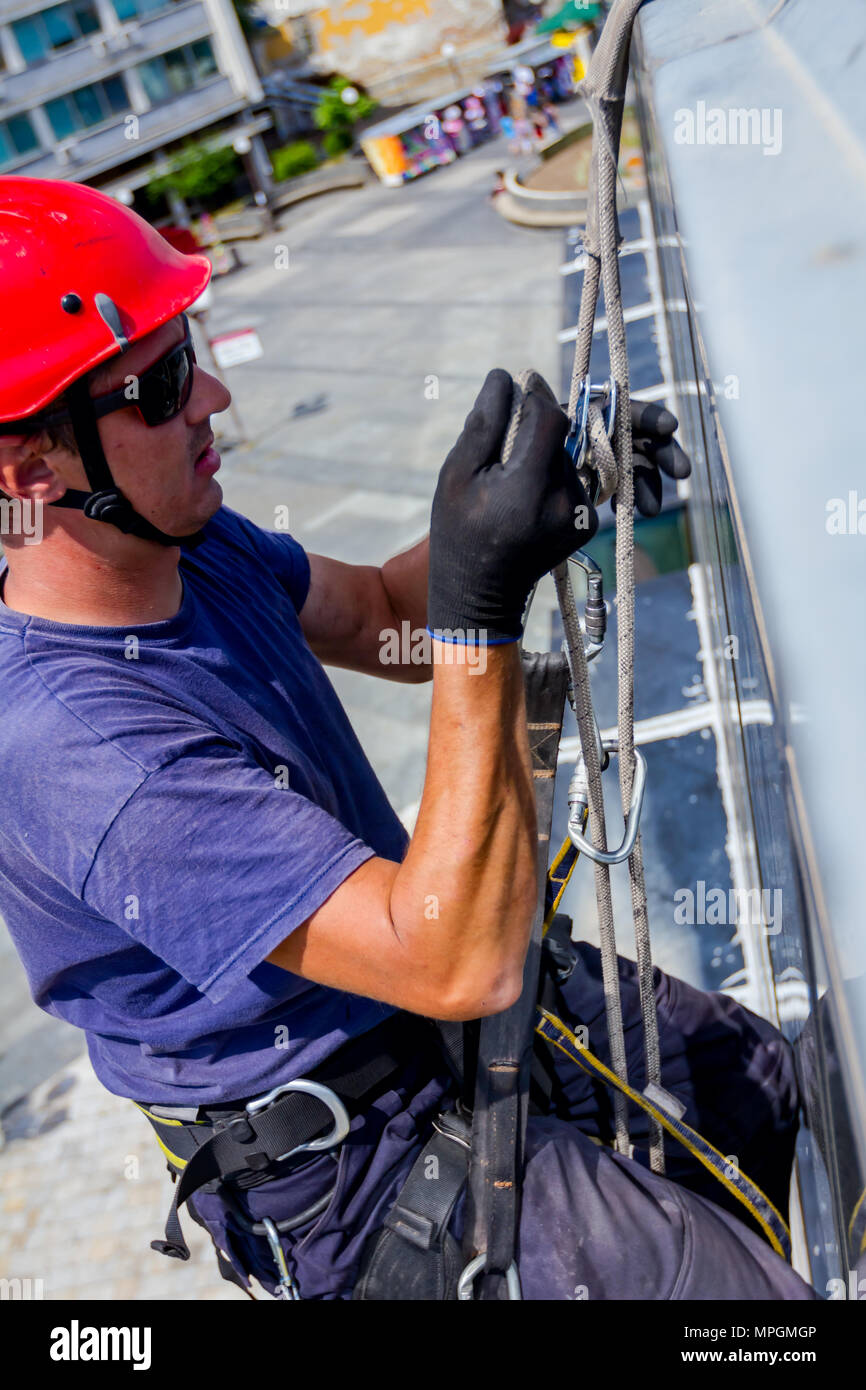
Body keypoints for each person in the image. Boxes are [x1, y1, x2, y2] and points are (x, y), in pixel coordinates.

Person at [0, 177, 814, 1301]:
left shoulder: (192, 552)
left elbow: (386, 620)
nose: (216, 398)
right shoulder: (76, 750)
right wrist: (480, 615)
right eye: (166, 383)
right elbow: (455, 956)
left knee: (753, 1081)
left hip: (424, 1018)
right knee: (722, 1297)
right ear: (30, 470)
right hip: (350, 1165)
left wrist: (535, 510)